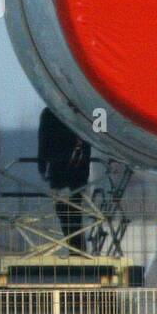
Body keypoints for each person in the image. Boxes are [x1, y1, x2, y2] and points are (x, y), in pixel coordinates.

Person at [37, 107, 92, 254]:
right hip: (76, 170)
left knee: (65, 211)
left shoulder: (50, 113)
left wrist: (42, 166)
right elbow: (88, 141)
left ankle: (75, 248)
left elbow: (43, 140)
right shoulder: (80, 112)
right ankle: (77, 249)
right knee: (74, 211)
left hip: (59, 170)